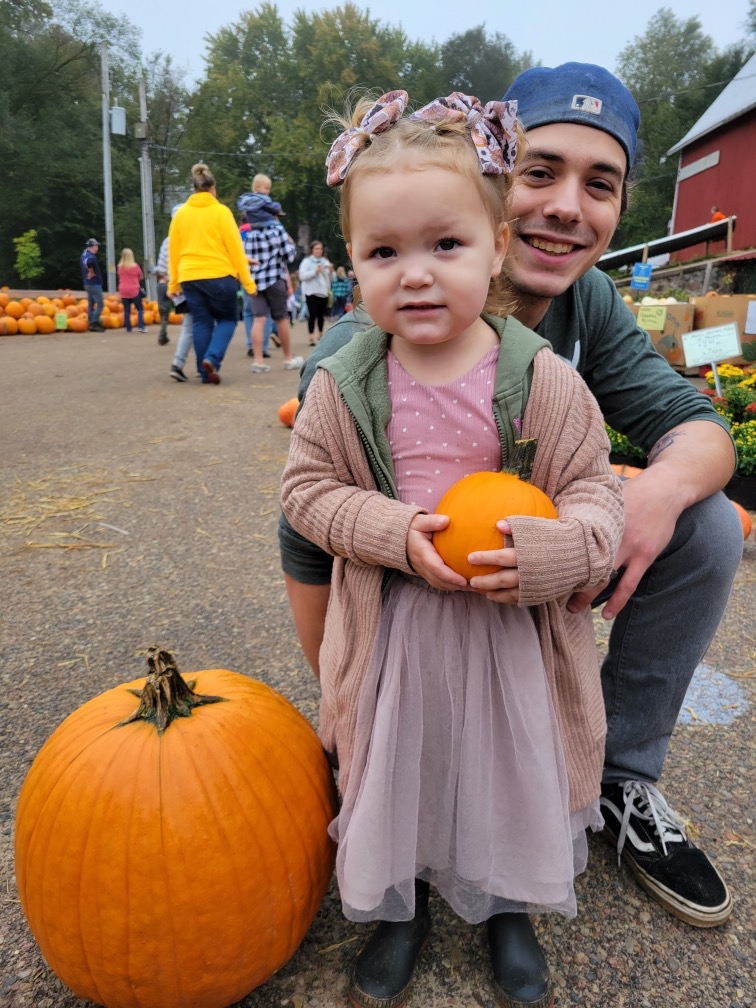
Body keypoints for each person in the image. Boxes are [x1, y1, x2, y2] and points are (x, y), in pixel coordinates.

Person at [279, 62, 743, 934]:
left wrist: (640, 504)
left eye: (598, 184)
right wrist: (351, 713)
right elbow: (307, 528)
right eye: (542, 171)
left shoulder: (591, 304)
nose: (568, 205)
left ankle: (618, 777)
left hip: (542, 574)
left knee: (709, 523)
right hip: (411, 595)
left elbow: (701, 428)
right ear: (496, 181)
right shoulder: (358, 356)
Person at [281, 88, 624, 1008]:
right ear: (349, 263)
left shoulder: (539, 380)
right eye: (383, 252)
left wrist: (557, 556)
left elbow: (597, 494)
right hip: (397, 628)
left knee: (506, 769)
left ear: (496, 247)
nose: (416, 274)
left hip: (508, 633)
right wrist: (391, 534)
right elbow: (307, 494)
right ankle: (401, 905)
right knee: (402, 765)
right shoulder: (344, 384)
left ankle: (508, 903)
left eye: (446, 245)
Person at [168, 162, 256, 385]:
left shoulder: (181, 214)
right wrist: (248, 283)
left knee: (201, 322)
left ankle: (202, 370)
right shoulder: (221, 212)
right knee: (227, 319)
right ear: (212, 187)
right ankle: (212, 359)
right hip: (219, 275)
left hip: (189, 276)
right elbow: (236, 249)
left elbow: (173, 251)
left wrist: (173, 283)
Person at [241, 193, 303, 373]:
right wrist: (291, 244)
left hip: (255, 281)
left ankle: (258, 361)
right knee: (281, 318)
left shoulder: (246, 231)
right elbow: (289, 256)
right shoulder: (276, 230)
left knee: (258, 319)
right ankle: (287, 358)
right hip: (275, 279)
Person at [298, 240, 333, 344]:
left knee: (321, 314)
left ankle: (321, 334)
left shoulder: (325, 262)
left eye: (320, 249)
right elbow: (302, 276)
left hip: (322, 291)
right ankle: (311, 336)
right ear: (312, 250)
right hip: (310, 291)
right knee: (312, 314)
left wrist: (331, 271)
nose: (319, 251)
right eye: (316, 248)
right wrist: (314, 272)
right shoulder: (306, 261)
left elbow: (331, 278)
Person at [117, 248, 146, 333]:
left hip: (123, 290)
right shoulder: (135, 266)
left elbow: (119, 276)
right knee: (139, 308)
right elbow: (141, 276)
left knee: (126, 309)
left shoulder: (119, 267)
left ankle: (128, 328)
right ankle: (141, 326)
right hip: (134, 289)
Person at [79, 238, 104, 332]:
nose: (97, 247)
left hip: (87, 283)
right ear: (93, 246)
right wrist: (91, 271)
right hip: (94, 283)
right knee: (100, 304)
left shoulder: (84, 254)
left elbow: (85, 262)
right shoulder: (91, 256)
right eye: (97, 245)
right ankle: (94, 323)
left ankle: (91, 322)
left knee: (91, 303)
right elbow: (88, 263)